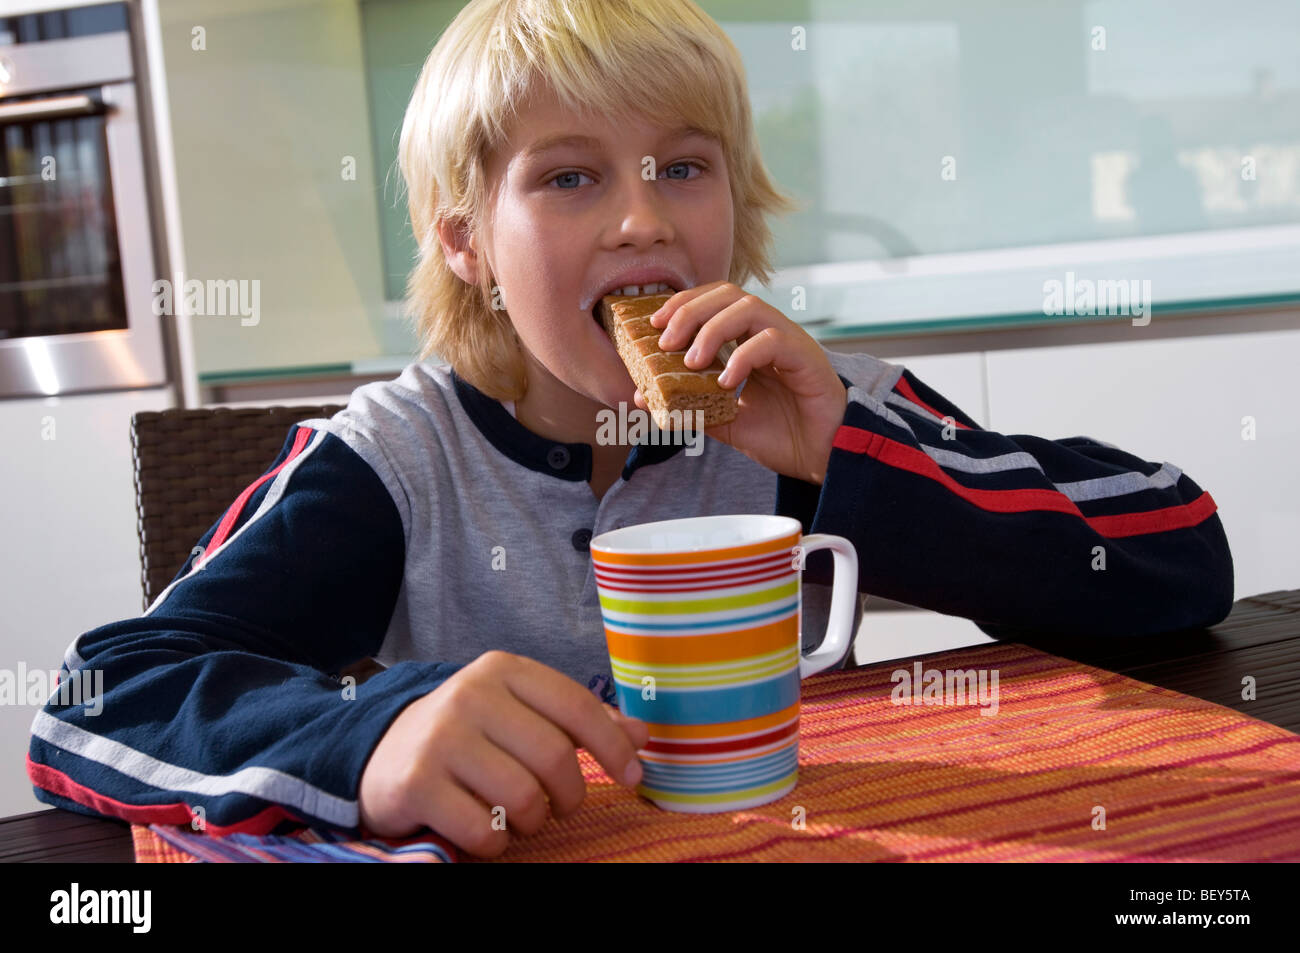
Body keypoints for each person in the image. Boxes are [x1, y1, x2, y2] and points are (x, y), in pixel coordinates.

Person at [27, 0, 1233, 861]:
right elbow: (99, 691)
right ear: (466, 243)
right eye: (569, 177)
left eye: (683, 167)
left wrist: (851, 460)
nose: (640, 218)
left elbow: (1179, 547)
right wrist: (362, 738)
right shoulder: (399, 463)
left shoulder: (807, 405)